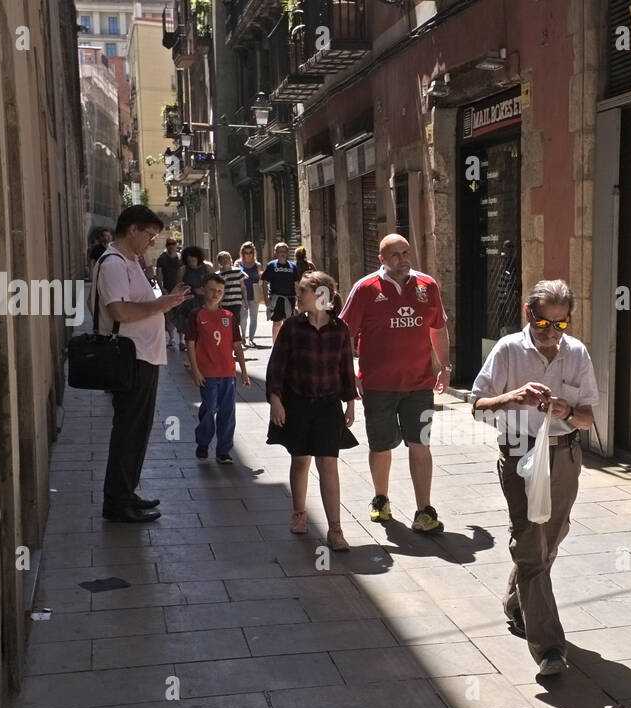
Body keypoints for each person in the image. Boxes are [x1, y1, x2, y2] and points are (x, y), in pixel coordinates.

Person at [468, 279, 599, 676]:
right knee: (529, 544)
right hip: (519, 454)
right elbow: (477, 406)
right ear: (529, 314)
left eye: (561, 325)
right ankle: (549, 650)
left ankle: (516, 603)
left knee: (550, 540)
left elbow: (589, 418)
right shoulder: (508, 349)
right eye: (544, 323)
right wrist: (512, 398)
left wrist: (567, 413)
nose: (551, 334)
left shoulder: (576, 353)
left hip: (565, 456)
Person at [339, 233, 451, 533]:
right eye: (395, 255)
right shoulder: (365, 289)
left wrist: (445, 366)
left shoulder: (427, 286)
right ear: (382, 260)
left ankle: (424, 510)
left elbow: (438, 328)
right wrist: (349, 375)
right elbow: (343, 335)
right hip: (378, 385)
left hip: (419, 384)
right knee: (381, 445)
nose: (403, 259)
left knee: (420, 444)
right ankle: (381, 498)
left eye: (406, 252)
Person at [93, 205, 189, 523]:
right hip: (130, 357)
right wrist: (161, 304)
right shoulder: (113, 264)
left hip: (143, 356)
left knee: (138, 430)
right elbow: (119, 311)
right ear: (132, 229)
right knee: (128, 430)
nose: (150, 242)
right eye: (148, 235)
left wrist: (167, 300)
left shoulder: (131, 262)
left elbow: (139, 304)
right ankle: (117, 502)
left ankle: (126, 493)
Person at [266, 271, 358, 552]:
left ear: (321, 296)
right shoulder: (292, 328)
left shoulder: (340, 329)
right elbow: (277, 366)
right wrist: (275, 400)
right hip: (298, 404)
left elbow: (345, 368)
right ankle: (299, 513)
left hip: (329, 405)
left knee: (328, 463)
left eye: (303, 291)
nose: (298, 296)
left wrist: (350, 402)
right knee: (301, 460)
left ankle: (335, 530)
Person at [185, 273, 251, 464]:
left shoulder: (229, 317)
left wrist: (244, 372)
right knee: (209, 408)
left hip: (228, 372)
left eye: (220, 291)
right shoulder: (196, 315)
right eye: (213, 290)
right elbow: (190, 343)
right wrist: (195, 371)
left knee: (228, 412)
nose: (216, 294)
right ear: (204, 289)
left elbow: (237, 345)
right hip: (208, 373)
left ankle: (224, 450)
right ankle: (204, 441)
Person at [260, 242, 298, 345]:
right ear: (275, 253)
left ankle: (289, 345)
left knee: (289, 323)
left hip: (290, 298)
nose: (282, 253)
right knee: (277, 323)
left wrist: (299, 298)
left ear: (287, 253)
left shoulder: (292, 266)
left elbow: (296, 283)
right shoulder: (271, 265)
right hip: (276, 298)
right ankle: (276, 346)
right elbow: (264, 282)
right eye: (280, 251)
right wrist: (266, 299)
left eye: (284, 251)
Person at [178, 246, 209, 367]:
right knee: (191, 332)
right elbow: (179, 287)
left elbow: (213, 282)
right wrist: (193, 290)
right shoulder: (183, 270)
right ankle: (189, 356)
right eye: (189, 261)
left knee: (204, 331)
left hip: (204, 303)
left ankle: (201, 355)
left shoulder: (206, 268)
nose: (191, 263)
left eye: (193, 261)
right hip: (189, 303)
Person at [156, 237, 184, 349]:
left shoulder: (181, 258)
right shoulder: (162, 258)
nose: (171, 246)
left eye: (173, 244)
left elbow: (184, 272)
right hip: (168, 290)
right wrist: (162, 288)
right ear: (166, 245)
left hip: (179, 290)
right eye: (169, 244)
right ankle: (172, 339)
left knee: (181, 315)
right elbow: (159, 274)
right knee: (169, 315)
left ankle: (182, 341)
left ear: (177, 245)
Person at [215, 251, 248, 337]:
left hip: (236, 302)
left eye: (227, 258)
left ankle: (236, 339)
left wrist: (245, 301)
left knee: (234, 321)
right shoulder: (218, 275)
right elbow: (217, 291)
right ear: (219, 262)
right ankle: (228, 338)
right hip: (224, 303)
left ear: (230, 260)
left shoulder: (238, 272)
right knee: (225, 322)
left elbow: (243, 287)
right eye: (222, 259)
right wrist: (217, 303)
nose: (225, 261)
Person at [239, 241, 263, 348]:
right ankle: (243, 336)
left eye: (250, 252)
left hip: (254, 293)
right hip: (242, 293)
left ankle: (251, 338)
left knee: (254, 317)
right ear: (242, 253)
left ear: (253, 253)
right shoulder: (237, 264)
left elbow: (260, 279)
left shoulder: (257, 265)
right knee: (243, 317)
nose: (248, 255)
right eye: (246, 253)